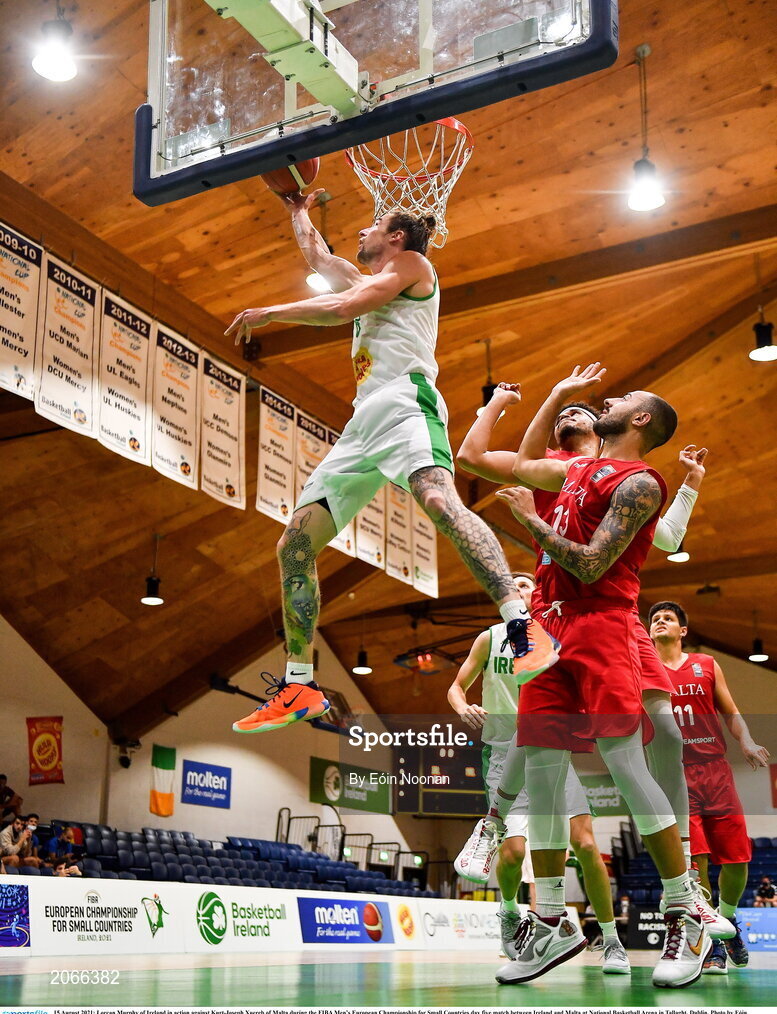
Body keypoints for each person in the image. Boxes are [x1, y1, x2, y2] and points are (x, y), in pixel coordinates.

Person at [226, 195, 558, 733]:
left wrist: (272, 311)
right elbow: (317, 255)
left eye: (374, 224)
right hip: (363, 423)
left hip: (408, 403)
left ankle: (522, 627)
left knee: (437, 499)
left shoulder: (412, 266)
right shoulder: (365, 279)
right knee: (294, 543)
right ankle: (300, 684)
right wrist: (296, 209)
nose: (362, 229)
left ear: (397, 237)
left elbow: (341, 309)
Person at [491, 364, 713, 989]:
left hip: (599, 624)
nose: (611, 398)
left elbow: (591, 566)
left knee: (624, 762)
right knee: (540, 771)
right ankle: (553, 921)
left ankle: (682, 910)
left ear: (640, 420)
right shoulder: (577, 468)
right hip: (544, 627)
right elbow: (491, 460)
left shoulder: (642, 482)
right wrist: (550, 395)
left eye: (624, 398)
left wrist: (526, 524)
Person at [457, 380, 710, 878]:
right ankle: (537, 896)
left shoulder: (629, 479)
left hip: (608, 613)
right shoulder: (559, 466)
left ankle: (685, 879)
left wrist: (690, 484)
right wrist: (505, 402)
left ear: (606, 429)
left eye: (582, 409)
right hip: (550, 612)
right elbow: (472, 456)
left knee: (659, 737)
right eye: (561, 414)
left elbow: (666, 537)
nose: (570, 414)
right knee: (537, 743)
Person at [448, 571, 630, 974]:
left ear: (539, 593)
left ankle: (612, 939)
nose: (521, 588)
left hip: (550, 747)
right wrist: (462, 707)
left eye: (528, 583)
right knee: (511, 854)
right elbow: (456, 686)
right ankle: (510, 912)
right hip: (501, 752)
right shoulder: (490, 637)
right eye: (514, 584)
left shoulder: (552, 634)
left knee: (585, 845)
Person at [649, 600, 771, 973]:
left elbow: (730, 712)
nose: (660, 622)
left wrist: (746, 742)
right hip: (675, 775)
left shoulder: (706, 664)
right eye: (654, 619)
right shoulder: (644, 670)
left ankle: (728, 922)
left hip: (715, 770)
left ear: (682, 631)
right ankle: (709, 939)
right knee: (695, 860)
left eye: (668, 618)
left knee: (737, 858)